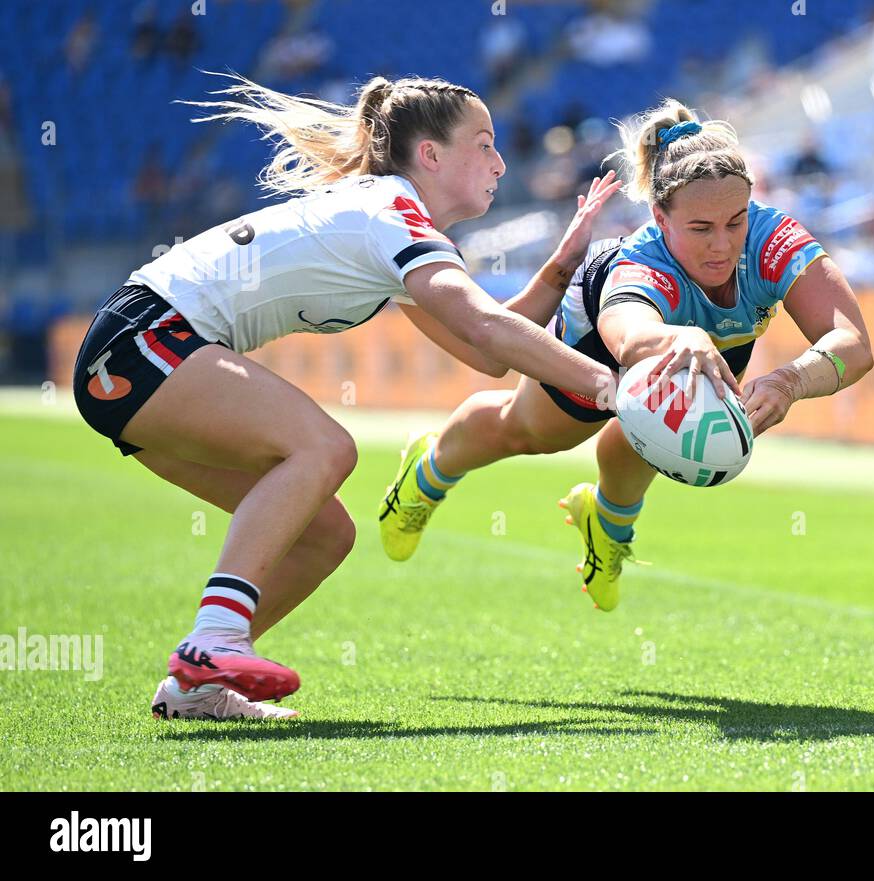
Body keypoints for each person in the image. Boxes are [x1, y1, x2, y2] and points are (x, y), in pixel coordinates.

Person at [71, 73, 621, 720]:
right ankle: (212, 641)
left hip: (132, 353)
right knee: (325, 448)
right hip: (143, 342)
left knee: (324, 534)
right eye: (485, 143)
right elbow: (486, 326)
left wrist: (561, 267)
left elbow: (486, 353)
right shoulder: (390, 213)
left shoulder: (388, 223)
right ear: (432, 156)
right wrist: (614, 386)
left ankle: (196, 686)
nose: (501, 161)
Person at [378, 99, 873, 612]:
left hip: (708, 340)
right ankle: (427, 472)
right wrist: (674, 339)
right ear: (659, 217)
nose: (722, 245)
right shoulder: (640, 262)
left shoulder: (775, 239)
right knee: (529, 432)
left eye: (735, 221)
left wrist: (791, 380)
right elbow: (628, 337)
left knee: (653, 435)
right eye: (700, 228)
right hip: (600, 329)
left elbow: (853, 344)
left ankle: (608, 525)